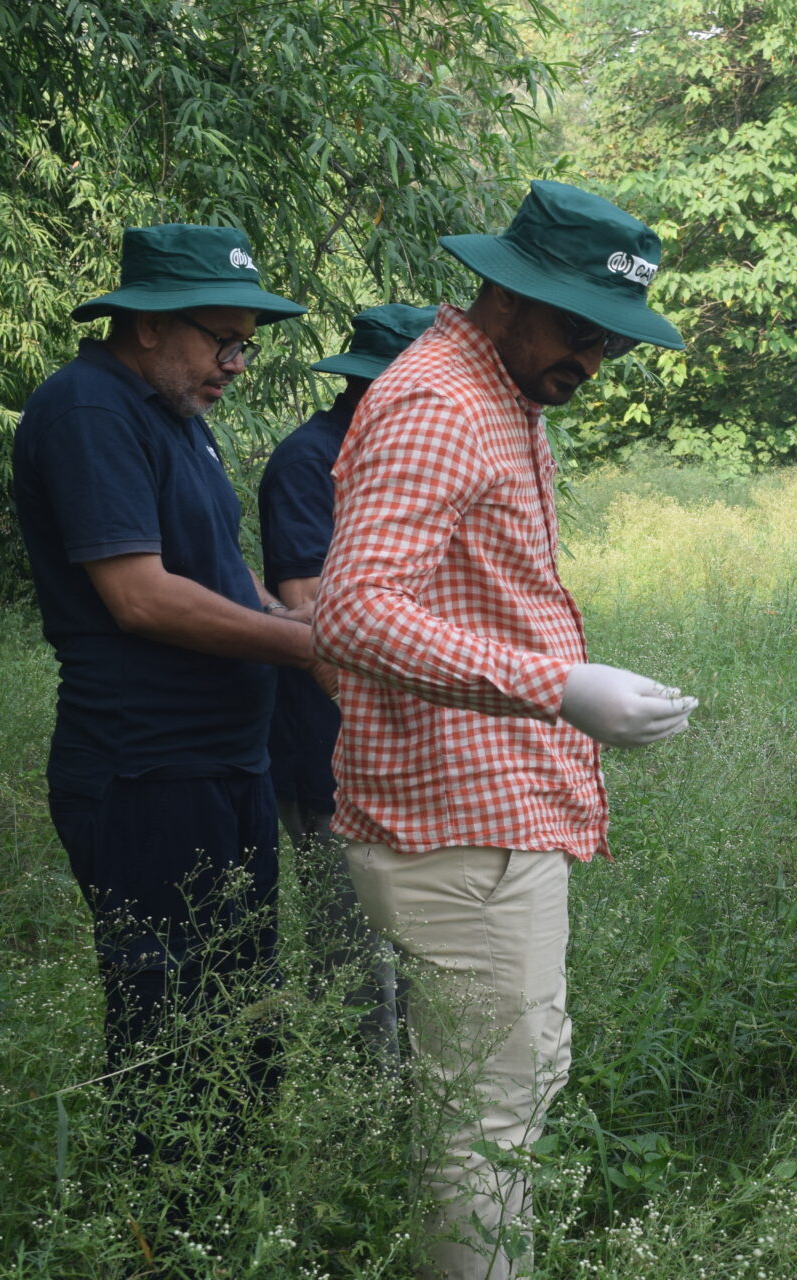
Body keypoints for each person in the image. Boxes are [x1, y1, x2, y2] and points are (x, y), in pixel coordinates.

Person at [313, 180, 696, 1280]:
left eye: (613, 338)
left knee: (502, 1106)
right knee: (486, 1127)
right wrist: (557, 685)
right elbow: (351, 609)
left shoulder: (502, 396)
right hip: (455, 832)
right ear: (508, 290)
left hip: (485, 815)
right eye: (578, 326)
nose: (594, 356)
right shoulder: (443, 402)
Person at [11, 224, 327, 1181]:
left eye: (245, 343)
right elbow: (139, 596)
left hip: (230, 763)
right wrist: (309, 644)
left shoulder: (183, 419)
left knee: (243, 1011)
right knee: (171, 1027)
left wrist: (330, 627)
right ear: (145, 326)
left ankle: (231, 1209)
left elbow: (227, 577)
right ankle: (165, 1227)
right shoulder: (88, 411)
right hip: (145, 769)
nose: (234, 363)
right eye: (220, 341)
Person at [259, 303, 437, 1064]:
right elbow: (309, 615)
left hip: (415, 747)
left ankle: (416, 1104)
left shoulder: (406, 454)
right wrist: (390, 731)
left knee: (424, 946)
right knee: (353, 953)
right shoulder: (309, 460)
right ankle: (361, 1113)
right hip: (333, 746)